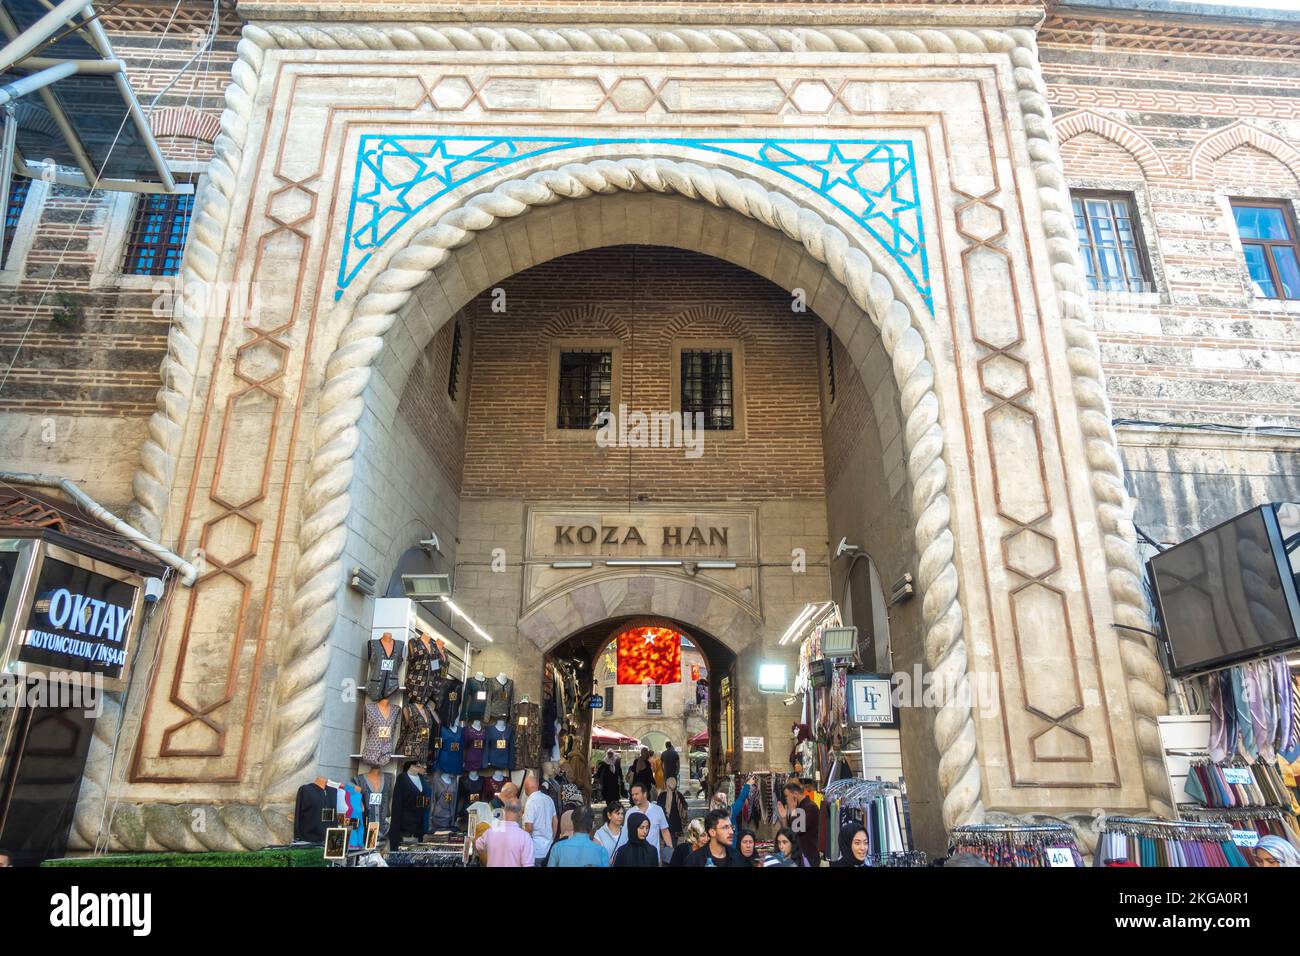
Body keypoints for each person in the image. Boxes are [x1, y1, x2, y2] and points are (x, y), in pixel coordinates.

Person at [474, 799, 533, 867]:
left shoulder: (490, 832)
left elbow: (477, 845)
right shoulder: (525, 837)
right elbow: (528, 865)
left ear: (504, 811)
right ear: (520, 813)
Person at [628, 781, 673, 863]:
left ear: (645, 794)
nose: (634, 797)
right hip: (635, 858)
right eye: (632, 795)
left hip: (653, 857)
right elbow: (625, 834)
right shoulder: (630, 812)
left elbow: (665, 831)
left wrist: (671, 851)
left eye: (636, 794)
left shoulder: (657, 810)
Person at [779, 780, 821, 867]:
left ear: (795, 794)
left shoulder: (810, 807)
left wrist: (793, 810)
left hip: (808, 858)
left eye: (787, 796)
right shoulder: (798, 808)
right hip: (798, 857)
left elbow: (796, 831)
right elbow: (788, 835)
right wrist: (784, 818)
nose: (786, 799)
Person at [522, 771, 557, 866]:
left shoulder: (530, 802)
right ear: (537, 786)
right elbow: (555, 820)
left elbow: (529, 828)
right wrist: (552, 838)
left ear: (525, 790)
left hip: (535, 850)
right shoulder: (548, 799)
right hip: (549, 847)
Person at [656, 776, 690, 845]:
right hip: (677, 827)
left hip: (665, 825)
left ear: (666, 784)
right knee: (674, 844)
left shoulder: (662, 795)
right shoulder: (679, 795)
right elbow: (685, 806)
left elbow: (658, 809)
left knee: (667, 845)